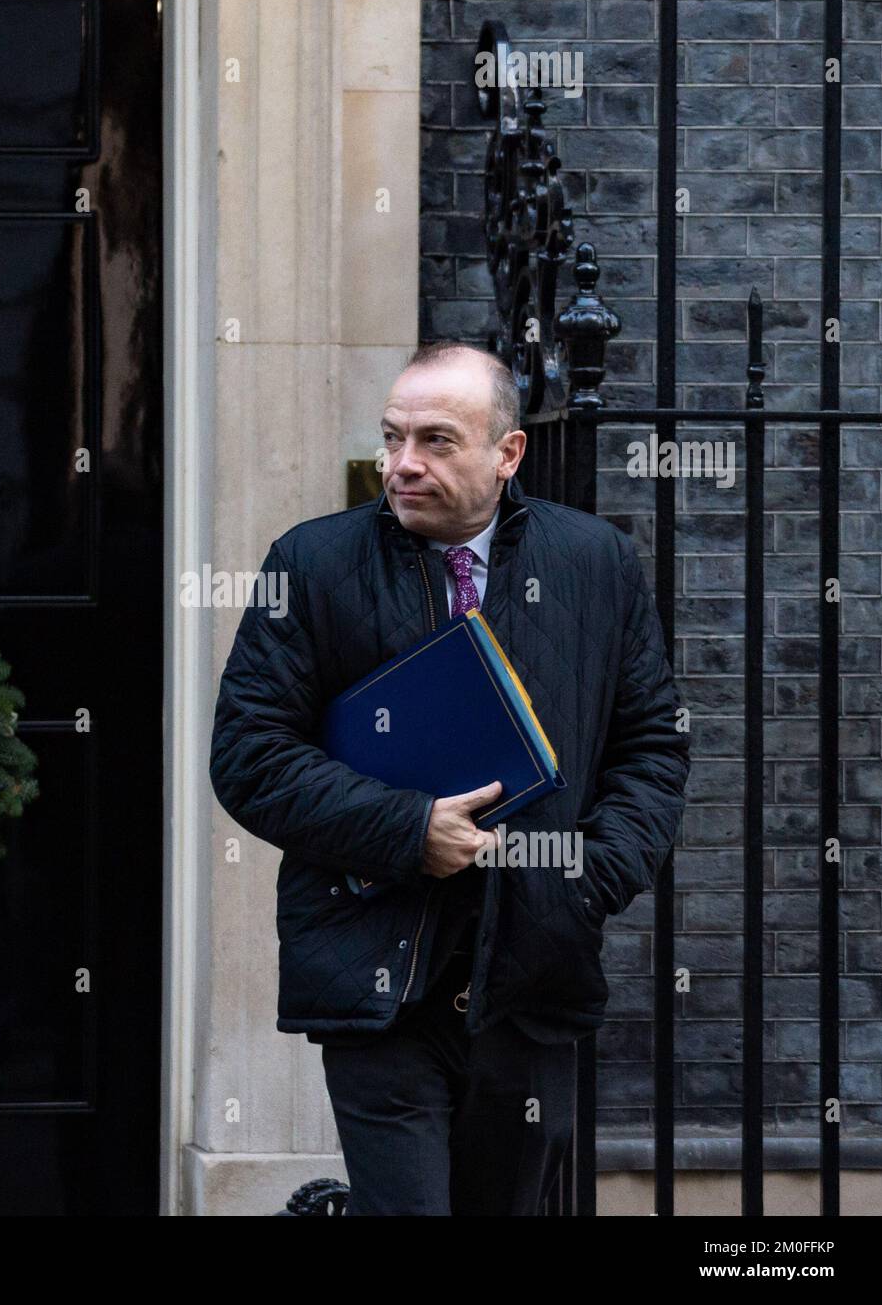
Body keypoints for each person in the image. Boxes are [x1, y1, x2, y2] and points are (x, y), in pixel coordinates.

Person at [208, 341, 690, 1216]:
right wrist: (406, 829)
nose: (402, 465)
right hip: (375, 972)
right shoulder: (311, 565)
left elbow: (653, 747)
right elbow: (249, 755)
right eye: (393, 439)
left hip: (533, 974)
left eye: (435, 441)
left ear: (507, 455)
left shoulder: (595, 565)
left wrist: (589, 879)